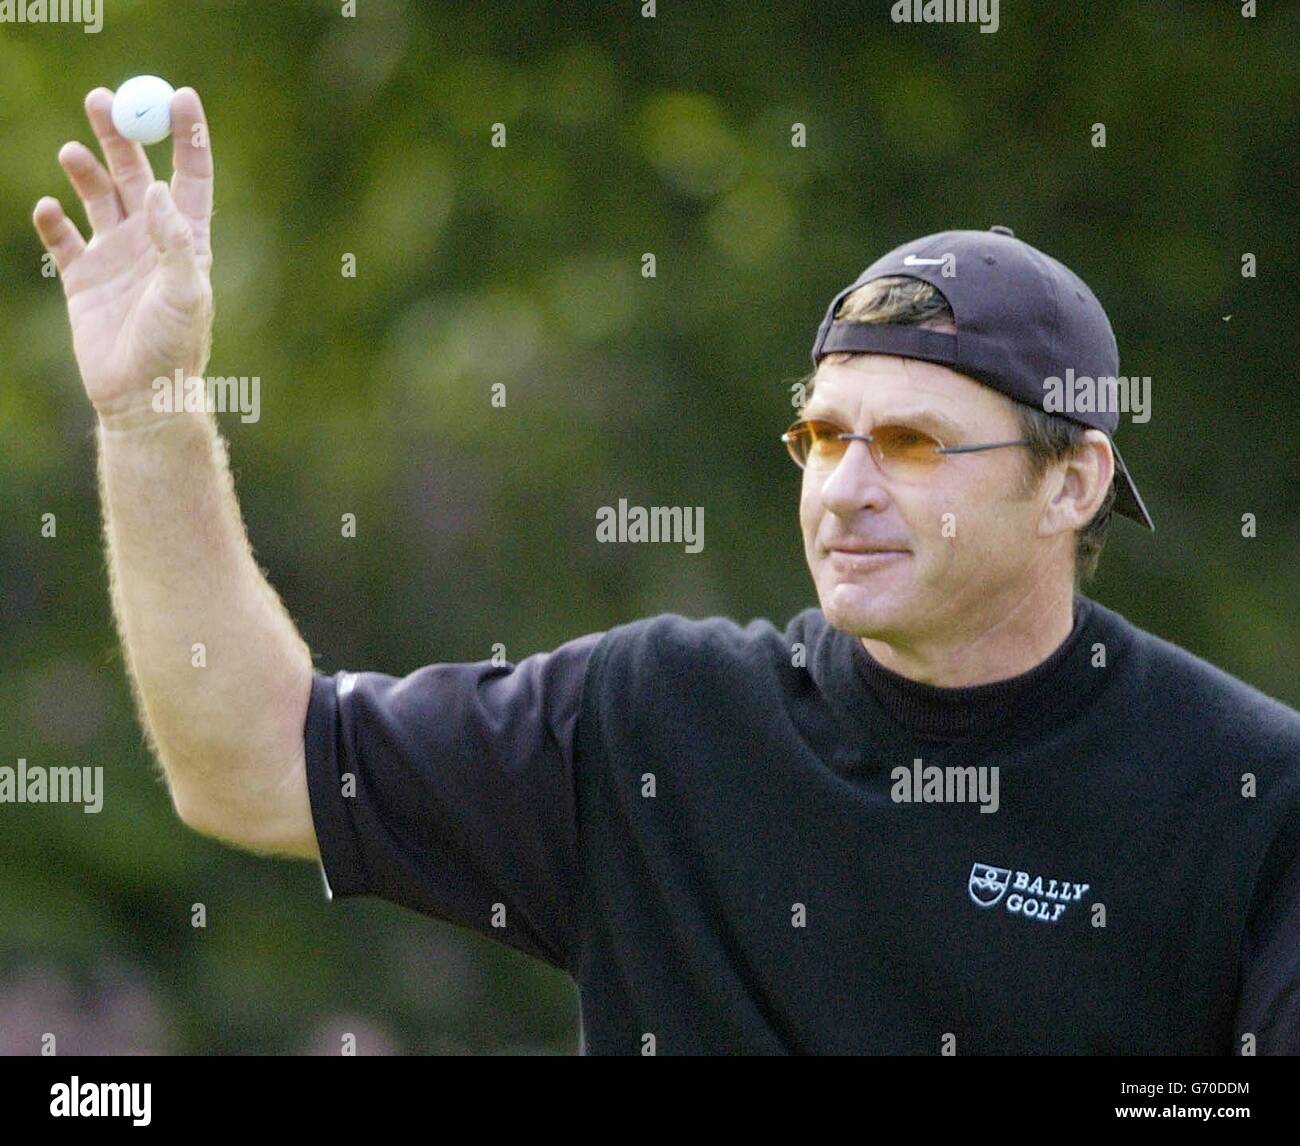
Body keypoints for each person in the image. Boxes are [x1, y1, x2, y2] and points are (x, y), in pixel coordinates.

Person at [35, 86, 1300, 1056]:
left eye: (911, 443)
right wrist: (152, 408)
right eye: (822, 436)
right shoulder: (657, 720)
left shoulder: (1250, 795)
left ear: (1070, 482)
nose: (846, 486)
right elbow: (246, 766)